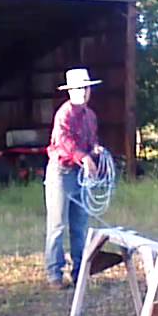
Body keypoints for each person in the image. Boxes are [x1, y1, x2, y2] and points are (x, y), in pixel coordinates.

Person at [44, 67, 105, 289]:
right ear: (72, 91)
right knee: (58, 224)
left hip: (79, 174)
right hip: (61, 173)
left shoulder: (90, 116)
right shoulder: (64, 114)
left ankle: (80, 271)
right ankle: (54, 274)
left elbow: (91, 141)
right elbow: (64, 143)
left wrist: (95, 150)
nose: (85, 92)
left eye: (87, 87)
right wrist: (84, 158)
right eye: (81, 88)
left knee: (80, 226)